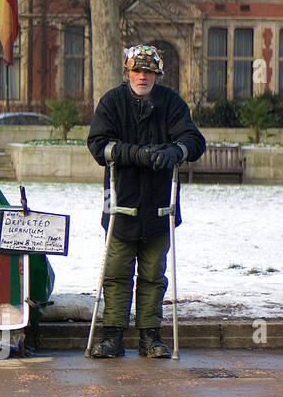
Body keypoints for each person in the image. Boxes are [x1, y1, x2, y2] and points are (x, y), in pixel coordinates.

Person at [87, 44, 206, 358]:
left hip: (158, 206)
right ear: (128, 72)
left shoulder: (171, 103)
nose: (142, 76)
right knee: (115, 273)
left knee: (154, 275)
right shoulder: (112, 102)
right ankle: (112, 336)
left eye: (149, 71)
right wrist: (134, 154)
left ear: (158, 74)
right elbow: (98, 145)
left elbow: (194, 140)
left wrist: (174, 152)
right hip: (121, 204)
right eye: (137, 71)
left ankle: (150, 336)